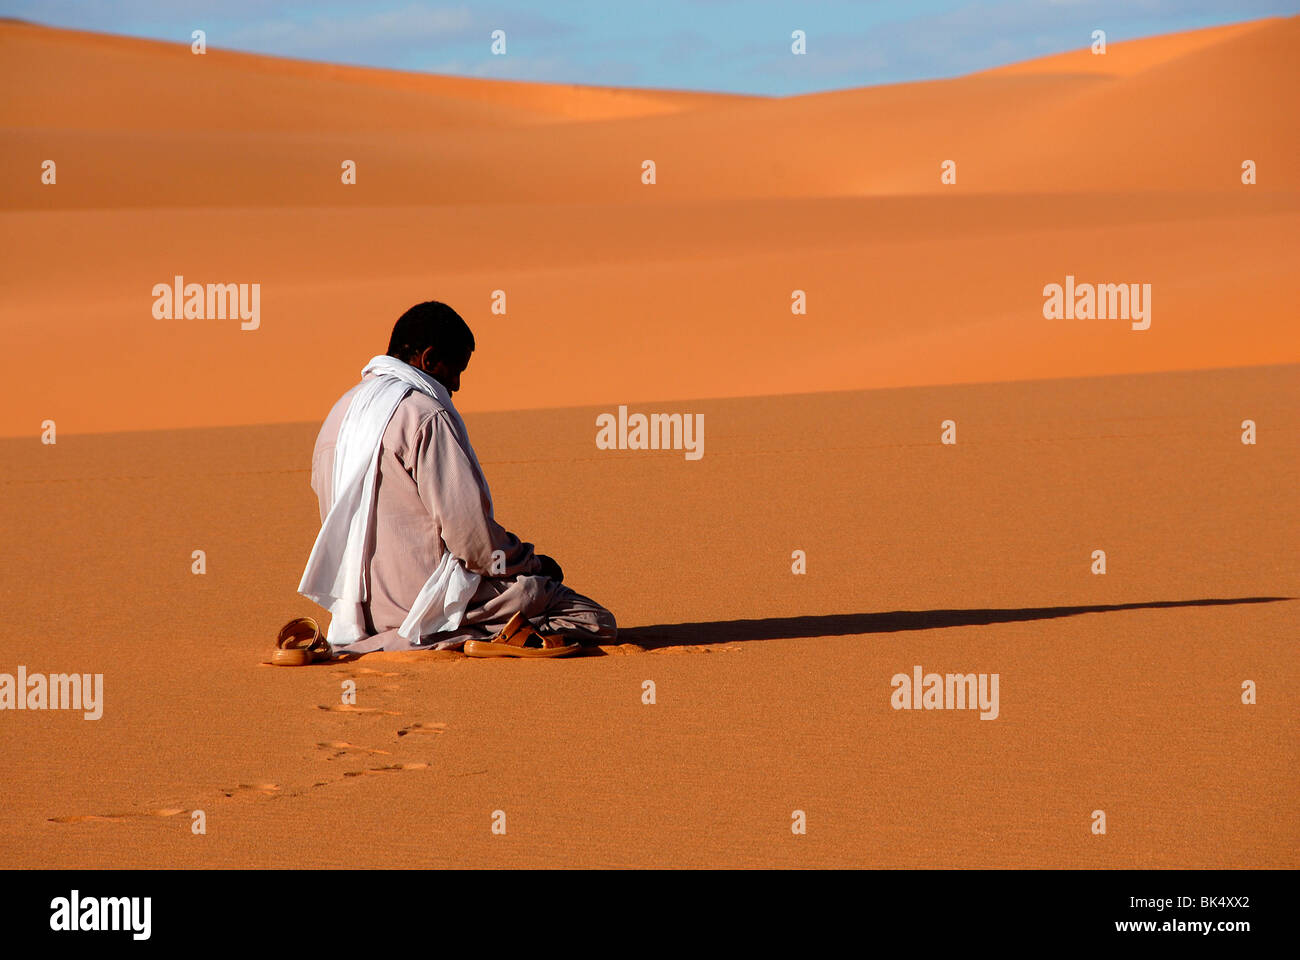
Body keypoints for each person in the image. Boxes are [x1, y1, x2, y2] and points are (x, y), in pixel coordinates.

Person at [296, 301, 616, 658]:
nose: (458, 385)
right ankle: (474, 637)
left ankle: (397, 639)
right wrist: (533, 564)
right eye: (455, 370)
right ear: (429, 360)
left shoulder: (340, 415)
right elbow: (473, 542)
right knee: (592, 619)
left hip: (357, 612)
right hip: (429, 603)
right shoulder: (424, 413)